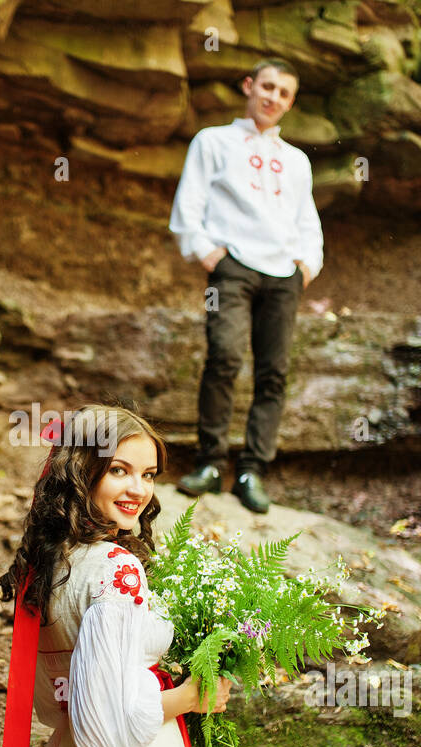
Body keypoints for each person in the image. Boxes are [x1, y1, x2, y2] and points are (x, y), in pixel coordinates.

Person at [0, 404, 232, 747]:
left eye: (148, 474)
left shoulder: (46, 568)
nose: (138, 490)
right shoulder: (116, 569)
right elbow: (105, 730)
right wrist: (189, 698)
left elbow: (52, 704)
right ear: (83, 471)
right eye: (119, 471)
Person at [168, 58, 324, 514]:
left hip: (283, 275)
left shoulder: (296, 160)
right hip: (232, 267)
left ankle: (252, 471)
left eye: (284, 93)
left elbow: (306, 219)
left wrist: (306, 265)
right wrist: (209, 252)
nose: (273, 98)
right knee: (225, 355)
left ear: (290, 102)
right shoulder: (213, 141)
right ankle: (211, 465)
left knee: (273, 372)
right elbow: (189, 202)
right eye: (267, 87)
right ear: (249, 86)